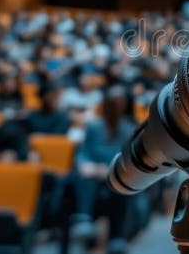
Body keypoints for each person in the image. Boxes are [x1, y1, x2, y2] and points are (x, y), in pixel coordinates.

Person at [71, 86, 135, 254]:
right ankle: (84, 218)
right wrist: (87, 165)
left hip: (116, 171)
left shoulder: (128, 128)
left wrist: (109, 169)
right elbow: (83, 152)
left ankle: (117, 235)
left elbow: (128, 157)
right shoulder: (93, 126)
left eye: (120, 103)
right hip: (94, 171)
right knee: (83, 174)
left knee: (124, 183)